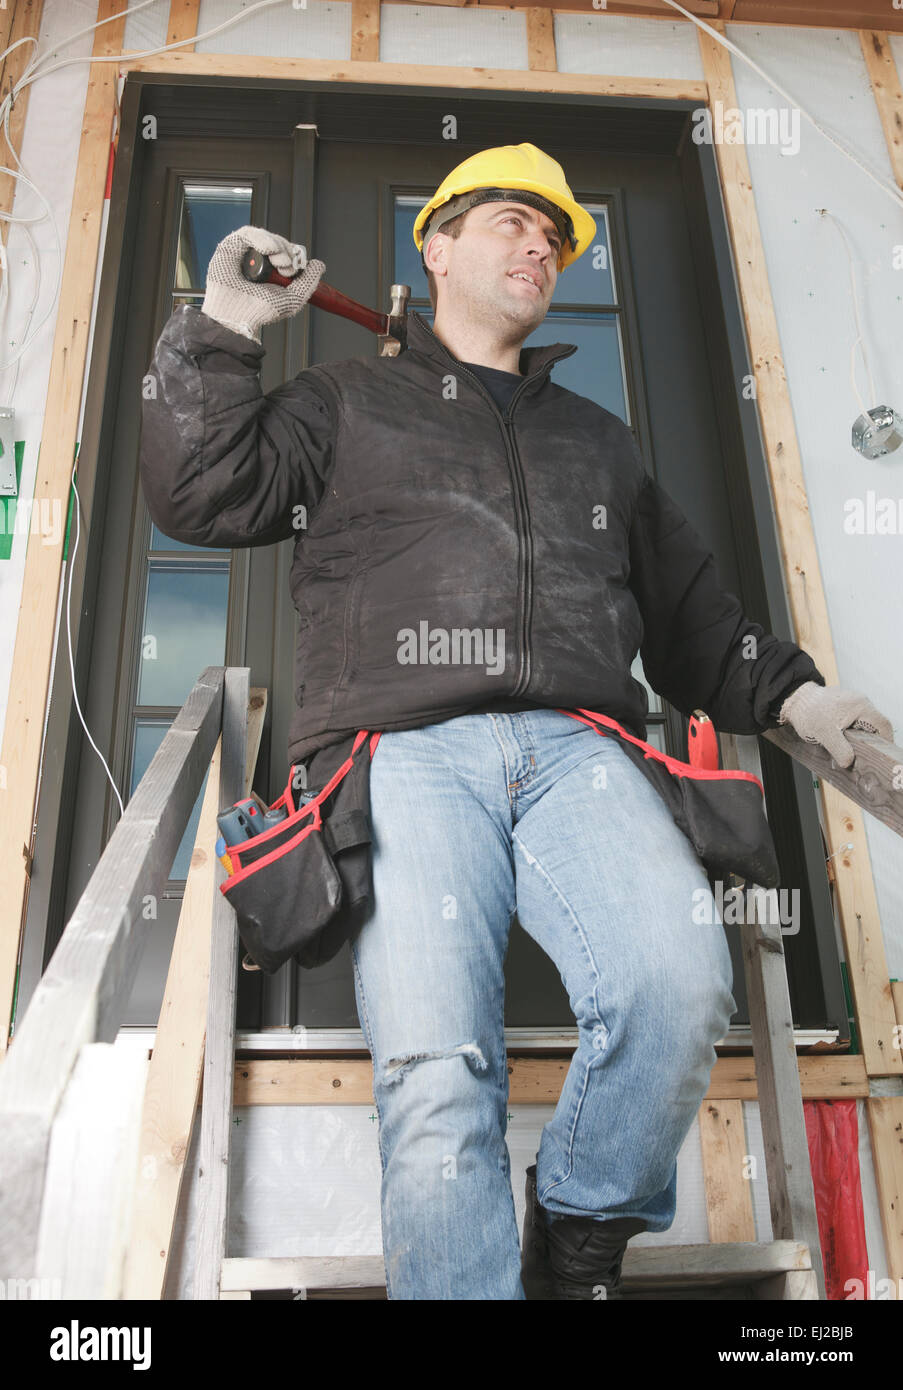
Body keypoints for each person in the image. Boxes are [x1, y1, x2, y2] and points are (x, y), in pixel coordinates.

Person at [139, 143, 893, 1301]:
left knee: (677, 985)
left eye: (557, 234)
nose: (540, 244)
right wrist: (226, 322)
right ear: (434, 247)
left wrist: (800, 697)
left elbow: (696, 621)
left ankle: (577, 1235)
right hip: (403, 754)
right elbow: (204, 490)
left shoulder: (597, 439)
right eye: (509, 221)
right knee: (440, 1067)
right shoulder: (345, 401)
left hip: (579, 751)